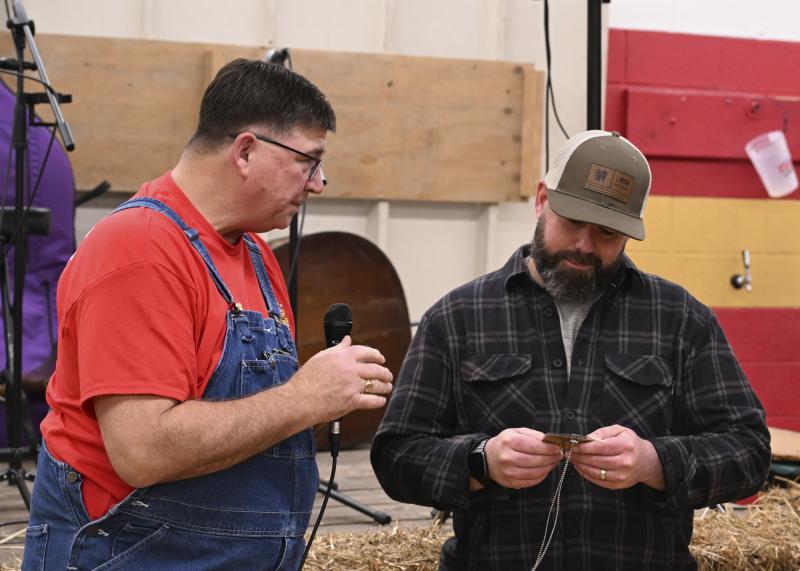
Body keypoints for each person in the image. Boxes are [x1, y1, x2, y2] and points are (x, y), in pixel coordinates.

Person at [22, 58, 393, 570]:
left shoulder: (255, 254)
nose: (318, 183)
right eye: (309, 161)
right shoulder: (140, 249)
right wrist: (304, 399)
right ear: (245, 151)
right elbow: (143, 449)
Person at [371, 130, 771, 570]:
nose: (584, 245)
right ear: (542, 199)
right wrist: (480, 462)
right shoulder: (458, 317)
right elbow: (396, 458)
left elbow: (749, 452)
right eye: (573, 222)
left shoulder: (679, 318)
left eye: (606, 233)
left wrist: (654, 462)